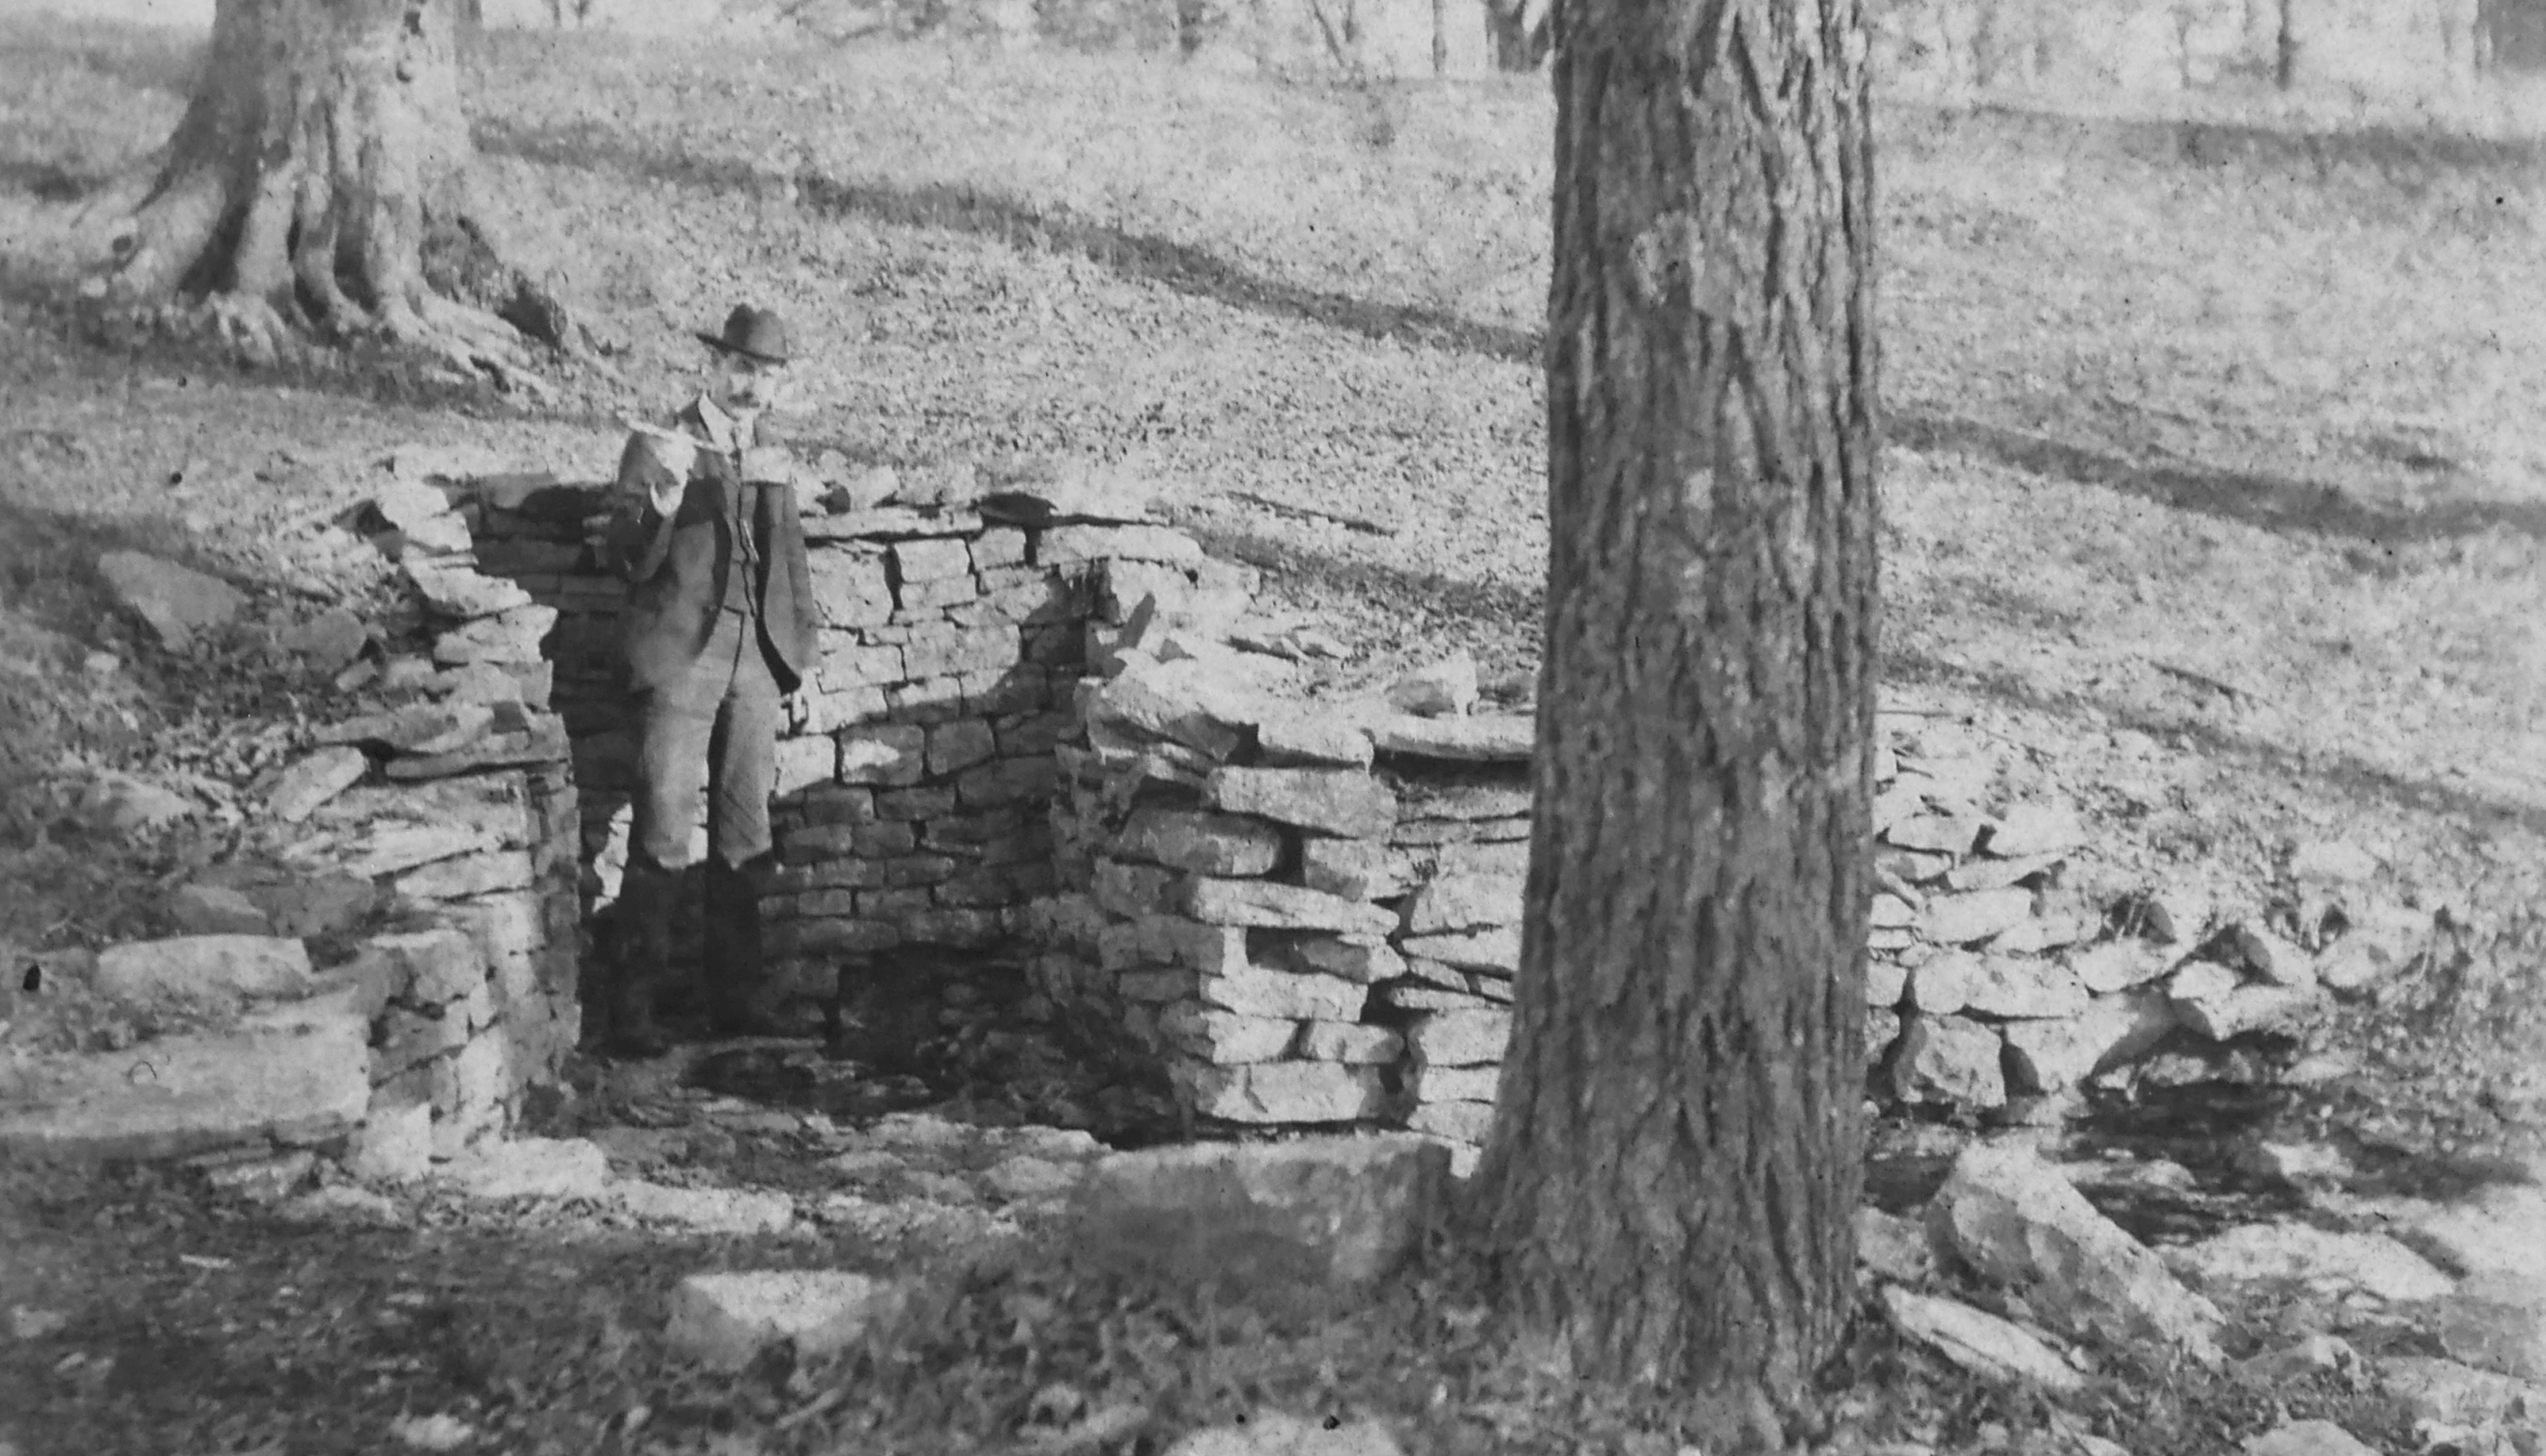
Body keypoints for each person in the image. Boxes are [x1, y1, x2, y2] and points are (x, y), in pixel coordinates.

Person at [600, 303, 822, 1057]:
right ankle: (632, 1011)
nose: (750, 387)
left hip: (755, 657)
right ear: (713, 367)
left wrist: (798, 654)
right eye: (740, 370)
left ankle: (737, 1004)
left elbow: (789, 559)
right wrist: (662, 499)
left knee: (746, 834)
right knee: (662, 827)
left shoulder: (770, 451)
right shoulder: (663, 442)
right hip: (681, 657)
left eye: (764, 376)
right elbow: (622, 554)